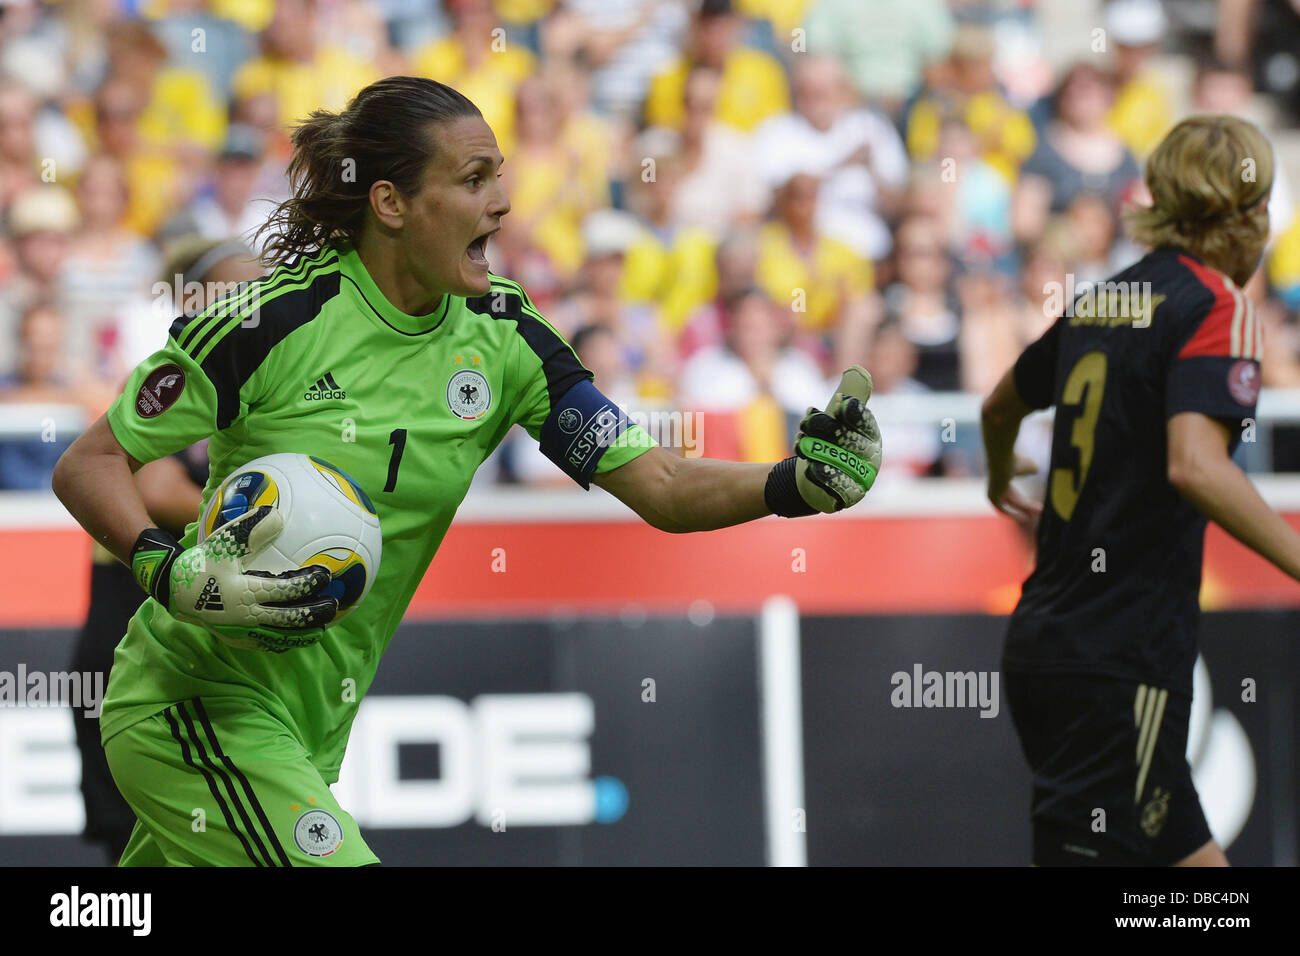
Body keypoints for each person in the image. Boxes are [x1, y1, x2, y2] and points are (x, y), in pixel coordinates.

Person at [51, 76, 883, 867]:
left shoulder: (504, 338)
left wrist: (793, 483)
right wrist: (171, 572)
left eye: (501, 177)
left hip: (305, 730)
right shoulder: (269, 323)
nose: (504, 201)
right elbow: (89, 465)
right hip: (190, 703)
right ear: (392, 204)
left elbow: (661, 484)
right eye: (474, 177)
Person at [981, 115, 1286, 866]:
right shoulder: (1217, 307)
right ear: (1246, 213)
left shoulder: (1107, 299)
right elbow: (1196, 464)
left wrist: (997, 472)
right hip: (1121, 658)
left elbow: (999, 405)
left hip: (1053, 640)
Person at [67, 238, 263, 864]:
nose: (250, 306)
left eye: (259, 292)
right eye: (233, 291)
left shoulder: (268, 384)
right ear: (190, 298)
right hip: (132, 643)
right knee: (131, 842)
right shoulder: (163, 374)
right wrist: (265, 514)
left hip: (200, 645)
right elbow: (153, 486)